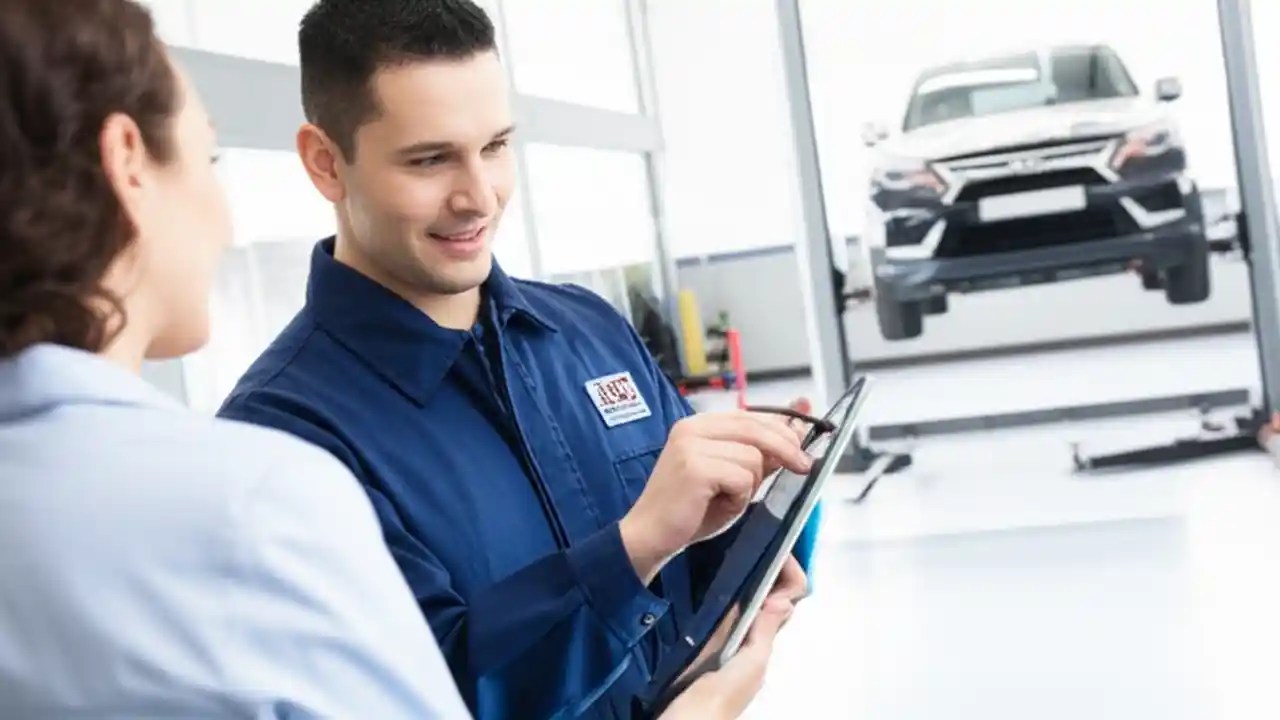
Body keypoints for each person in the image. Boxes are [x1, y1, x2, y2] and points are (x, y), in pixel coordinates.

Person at [0, 1, 793, 717]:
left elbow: (688, 587)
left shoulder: (588, 328)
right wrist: (636, 547)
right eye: (429, 160)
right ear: (324, 163)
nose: (478, 195)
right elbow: (441, 688)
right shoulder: (283, 442)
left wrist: (759, 533)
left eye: (495, 146)